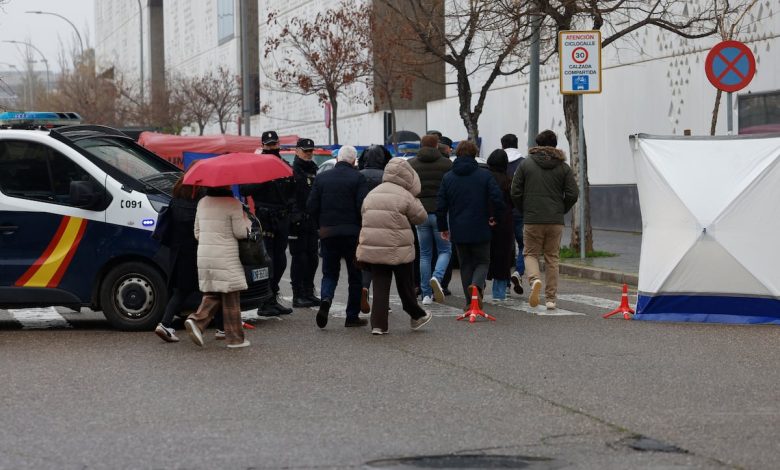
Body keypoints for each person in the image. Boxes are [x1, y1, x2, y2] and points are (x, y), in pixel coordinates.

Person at [356, 157, 432, 335]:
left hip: (375, 247)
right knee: (405, 284)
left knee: (381, 285)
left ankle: (378, 325)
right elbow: (421, 217)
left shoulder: (372, 194)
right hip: (399, 247)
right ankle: (416, 315)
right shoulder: (405, 195)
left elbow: (364, 214)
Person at [510, 130, 579, 309]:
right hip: (555, 219)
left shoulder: (526, 165)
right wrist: (561, 209)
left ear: (537, 144)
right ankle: (550, 299)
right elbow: (573, 193)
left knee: (530, 253)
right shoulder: (564, 167)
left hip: (532, 218)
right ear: (555, 145)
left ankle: (534, 281)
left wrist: (524, 209)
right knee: (552, 258)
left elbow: (515, 191)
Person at [306, 145, 370, 328]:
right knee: (355, 275)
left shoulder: (322, 178)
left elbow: (311, 206)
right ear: (353, 160)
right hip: (352, 234)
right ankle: (351, 316)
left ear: (337, 159)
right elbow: (362, 206)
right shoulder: (358, 178)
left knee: (329, 273)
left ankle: (326, 299)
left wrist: (320, 227)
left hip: (328, 233)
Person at [437, 140, 505, 308]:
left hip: (458, 228)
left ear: (457, 154)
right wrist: (496, 217)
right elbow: (497, 198)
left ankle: (470, 302)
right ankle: (477, 285)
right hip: (481, 225)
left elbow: (440, 205)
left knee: (465, 264)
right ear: (475, 154)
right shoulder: (484, 175)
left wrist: (443, 227)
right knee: (483, 261)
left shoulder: (448, 177)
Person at [184, 186, 252, 348]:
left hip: (205, 254)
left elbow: (197, 232)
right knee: (231, 296)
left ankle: (197, 323)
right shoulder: (233, 203)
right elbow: (241, 233)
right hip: (226, 255)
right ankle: (234, 338)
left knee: (214, 292)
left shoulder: (202, 203)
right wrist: (246, 221)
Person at [242, 130, 295, 316]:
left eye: (275, 144)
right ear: (263, 145)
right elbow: (244, 188)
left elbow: (292, 190)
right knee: (269, 262)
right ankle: (265, 301)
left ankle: (272, 296)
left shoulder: (284, 165)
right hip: (265, 219)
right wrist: (262, 178)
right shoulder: (257, 165)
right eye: (270, 145)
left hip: (282, 218)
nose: (273, 147)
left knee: (280, 261)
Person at [154, 177, 203, 342]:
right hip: (197, 252)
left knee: (182, 291)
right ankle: (218, 327)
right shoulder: (200, 204)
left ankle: (166, 324)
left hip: (178, 253)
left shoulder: (175, 201)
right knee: (211, 290)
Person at [408, 134, 452, 305]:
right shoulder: (447, 164)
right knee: (445, 250)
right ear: (437, 145)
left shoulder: (411, 164)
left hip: (420, 213)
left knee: (424, 254)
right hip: (441, 213)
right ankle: (437, 277)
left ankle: (426, 294)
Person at [357, 145, 391, 313]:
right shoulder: (386, 177)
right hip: (384, 224)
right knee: (383, 263)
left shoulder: (359, 176)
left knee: (366, 261)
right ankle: (383, 301)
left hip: (363, 223)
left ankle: (364, 287)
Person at [289, 137, 321, 308]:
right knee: (299, 258)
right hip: (297, 221)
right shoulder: (292, 170)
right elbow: (290, 197)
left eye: (310, 151)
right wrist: (295, 217)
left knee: (313, 258)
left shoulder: (313, 169)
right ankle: (298, 294)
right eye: (305, 151)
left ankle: (308, 291)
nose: (309, 154)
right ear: (297, 150)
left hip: (311, 220)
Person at [485, 149, 515, 301]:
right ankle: (499, 293)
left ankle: (478, 288)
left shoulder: (484, 178)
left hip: (485, 221)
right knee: (503, 259)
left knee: (483, 257)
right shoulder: (509, 181)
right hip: (505, 224)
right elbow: (514, 202)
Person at [502, 133, 526, 296]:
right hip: (520, 210)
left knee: (504, 247)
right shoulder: (524, 163)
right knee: (523, 245)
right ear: (517, 144)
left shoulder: (497, 162)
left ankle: (504, 284)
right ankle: (518, 272)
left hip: (502, 211)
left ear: (502, 145)